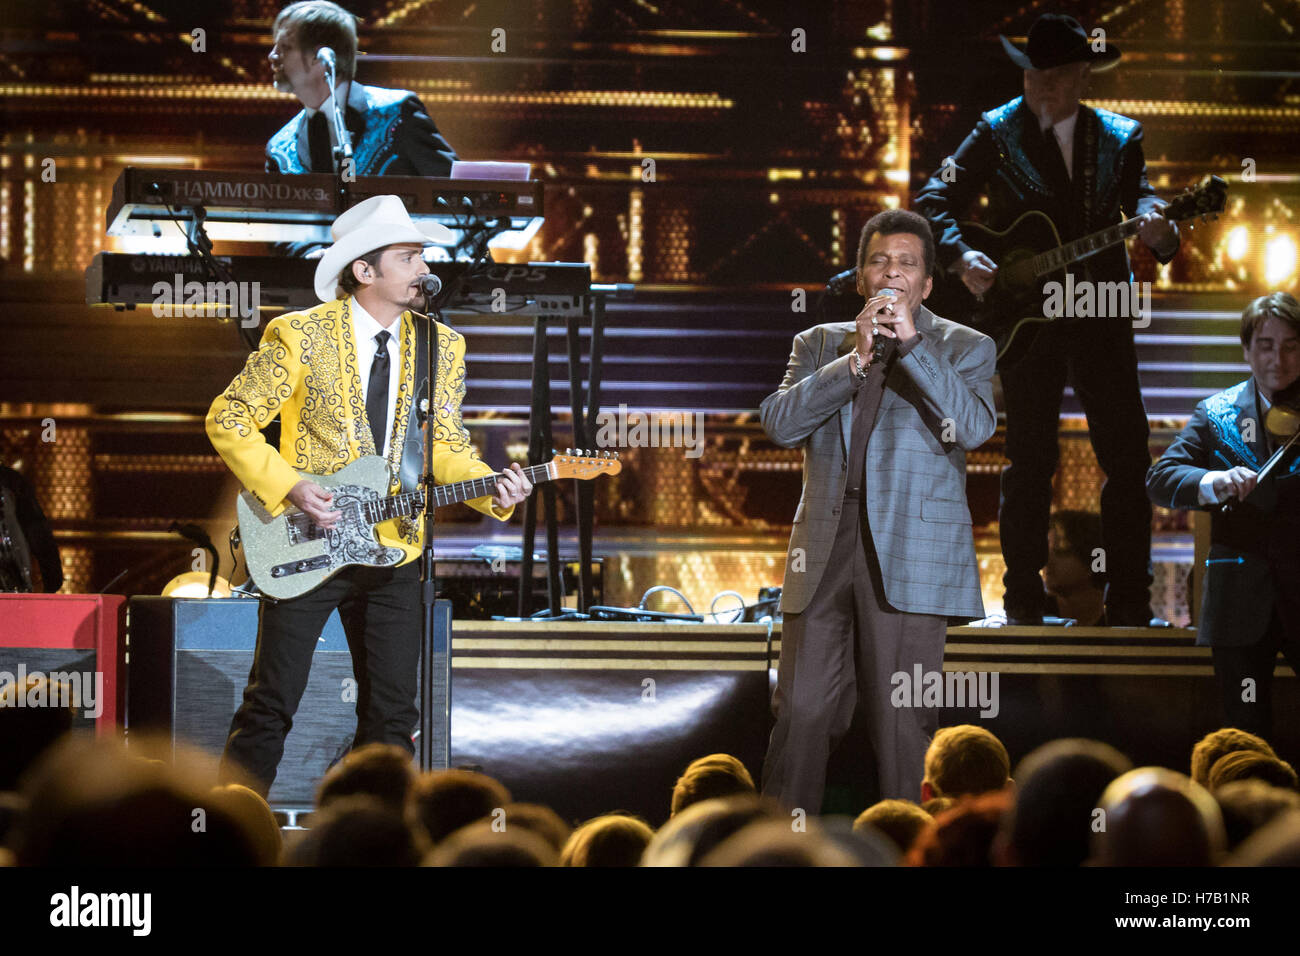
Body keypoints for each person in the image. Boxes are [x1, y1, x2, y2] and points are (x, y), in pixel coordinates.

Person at [206, 195, 531, 797]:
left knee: (390, 719)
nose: (423, 270)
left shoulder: (442, 346)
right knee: (271, 704)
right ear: (364, 270)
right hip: (308, 542)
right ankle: (226, 837)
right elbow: (231, 418)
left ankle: (370, 842)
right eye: (408, 257)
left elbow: (445, 446)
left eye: (422, 257)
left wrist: (495, 491)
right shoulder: (300, 335)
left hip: (395, 552)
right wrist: (290, 485)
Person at [914, 13, 1180, 627]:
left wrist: (1159, 229)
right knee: (1029, 459)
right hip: (1024, 318)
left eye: (1055, 77)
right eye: (1032, 75)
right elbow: (935, 197)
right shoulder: (995, 130)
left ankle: (1131, 600)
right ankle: (1023, 600)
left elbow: (1145, 200)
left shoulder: (1117, 138)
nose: (1040, 88)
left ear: (1083, 75)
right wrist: (959, 254)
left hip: (1100, 313)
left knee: (1127, 455)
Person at [760, 208, 997, 813]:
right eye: (879, 261)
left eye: (907, 263)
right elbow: (780, 425)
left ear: (927, 283)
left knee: (902, 725)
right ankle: (781, 853)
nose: (892, 272)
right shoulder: (818, 343)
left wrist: (912, 346)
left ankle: (916, 848)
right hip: (824, 546)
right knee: (802, 714)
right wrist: (855, 361)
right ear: (862, 278)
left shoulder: (965, 346)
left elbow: (971, 426)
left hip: (911, 556)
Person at [1146, 292, 1300, 739]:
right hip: (1239, 599)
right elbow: (1162, 478)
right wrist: (1215, 482)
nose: (1279, 359)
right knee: (1244, 728)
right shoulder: (1216, 414)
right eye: (1267, 345)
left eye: (1291, 345)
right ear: (1247, 351)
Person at [265, 1, 456, 179]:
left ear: (320, 57)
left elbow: (460, 194)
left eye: (285, 47)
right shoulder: (279, 149)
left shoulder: (397, 114)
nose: (272, 56)